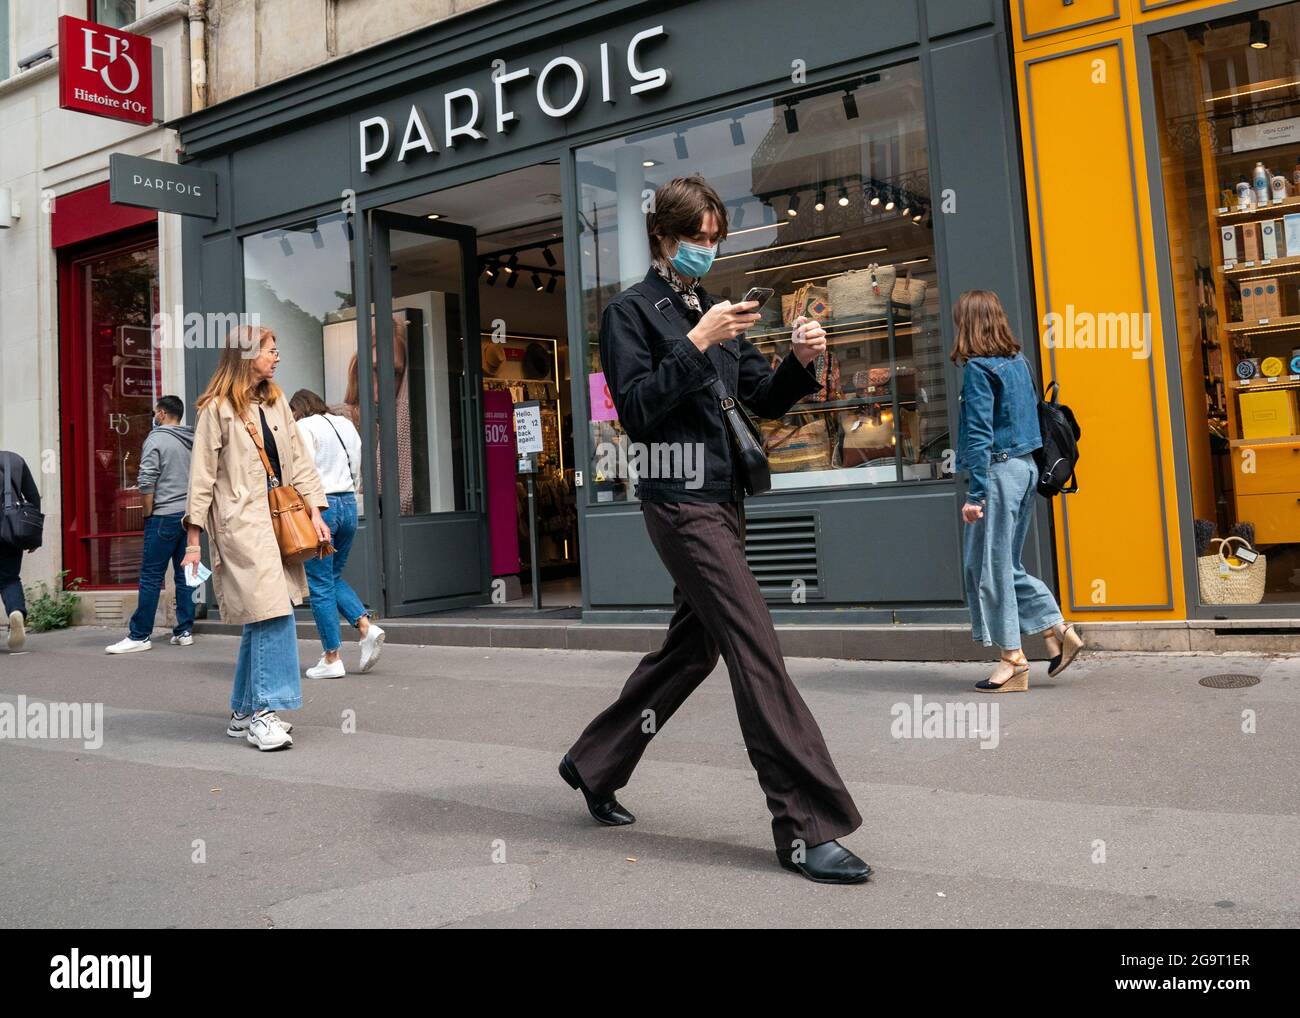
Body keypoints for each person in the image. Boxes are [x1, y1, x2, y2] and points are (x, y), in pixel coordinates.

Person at [559, 175, 870, 885]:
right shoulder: (629, 314)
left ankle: (594, 762)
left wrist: (801, 360)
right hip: (678, 503)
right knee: (754, 644)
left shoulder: (717, 310)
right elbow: (636, 411)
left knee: (690, 650)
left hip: (725, 499)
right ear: (664, 237)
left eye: (714, 239)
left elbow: (758, 399)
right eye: (696, 238)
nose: (707, 249)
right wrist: (696, 342)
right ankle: (805, 826)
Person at [181, 326, 331, 751]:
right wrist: (194, 540)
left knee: (263, 612)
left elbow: (299, 462)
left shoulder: (276, 401)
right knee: (273, 612)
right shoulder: (216, 410)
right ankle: (266, 713)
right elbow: (202, 479)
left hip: (279, 521)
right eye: (270, 350)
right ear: (247, 356)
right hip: (240, 526)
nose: (277, 356)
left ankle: (244, 712)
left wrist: (316, 512)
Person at [953, 290, 1083, 692]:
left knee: (987, 569)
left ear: (968, 324)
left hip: (997, 473)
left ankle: (1013, 658)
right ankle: (1054, 628)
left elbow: (978, 436)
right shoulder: (1018, 362)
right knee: (1003, 564)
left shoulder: (978, 369)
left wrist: (976, 496)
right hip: (1026, 469)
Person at [290, 388, 384, 678]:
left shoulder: (302, 427)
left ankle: (332, 658)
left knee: (319, 584)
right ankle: (365, 626)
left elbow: (301, 472)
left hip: (322, 506)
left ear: (298, 409)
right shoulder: (344, 424)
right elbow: (356, 463)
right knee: (330, 577)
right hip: (347, 504)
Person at [106, 396, 197, 654]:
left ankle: (139, 635)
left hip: (163, 515)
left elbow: (146, 479)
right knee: (185, 575)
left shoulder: (156, 439)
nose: (154, 416)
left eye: (156, 413)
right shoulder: (192, 439)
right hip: (188, 516)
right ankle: (184, 630)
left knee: (150, 576)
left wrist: (148, 514)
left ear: (162, 413)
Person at [0, 449, 39, 652]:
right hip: (11, 529)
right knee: (9, 578)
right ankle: (16, 611)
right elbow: (32, 497)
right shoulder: (13, 460)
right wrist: (32, 536)